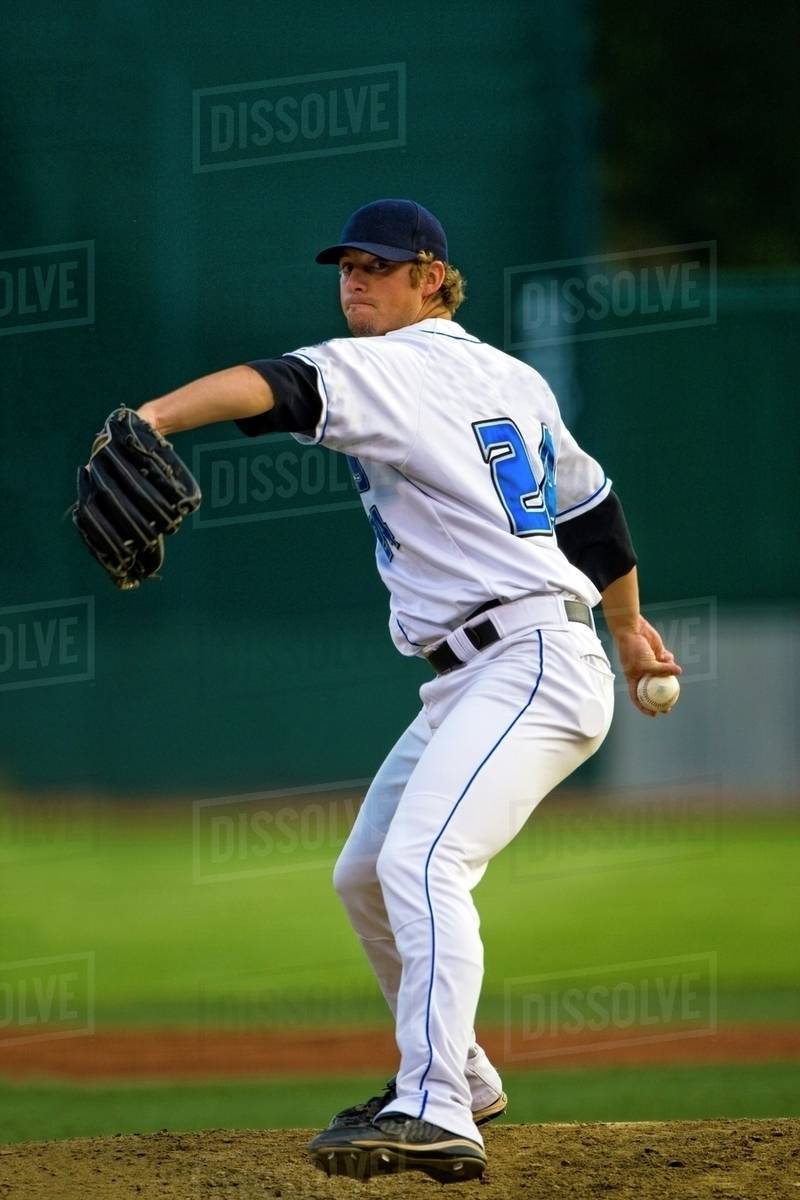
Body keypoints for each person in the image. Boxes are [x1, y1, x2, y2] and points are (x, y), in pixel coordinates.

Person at [137, 198, 681, 1184]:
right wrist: (627, 630)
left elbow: (277, 386)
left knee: (424, 863)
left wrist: (152, 419)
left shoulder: (392, 364)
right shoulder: (509, 377)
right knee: (367, 873)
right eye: (345, 265)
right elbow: (590, 510)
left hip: (522, 663)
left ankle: (432, 1110)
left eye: (378, 267)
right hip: (493, 669)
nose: (355, 281)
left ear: (432, 279)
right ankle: (461, 1077)